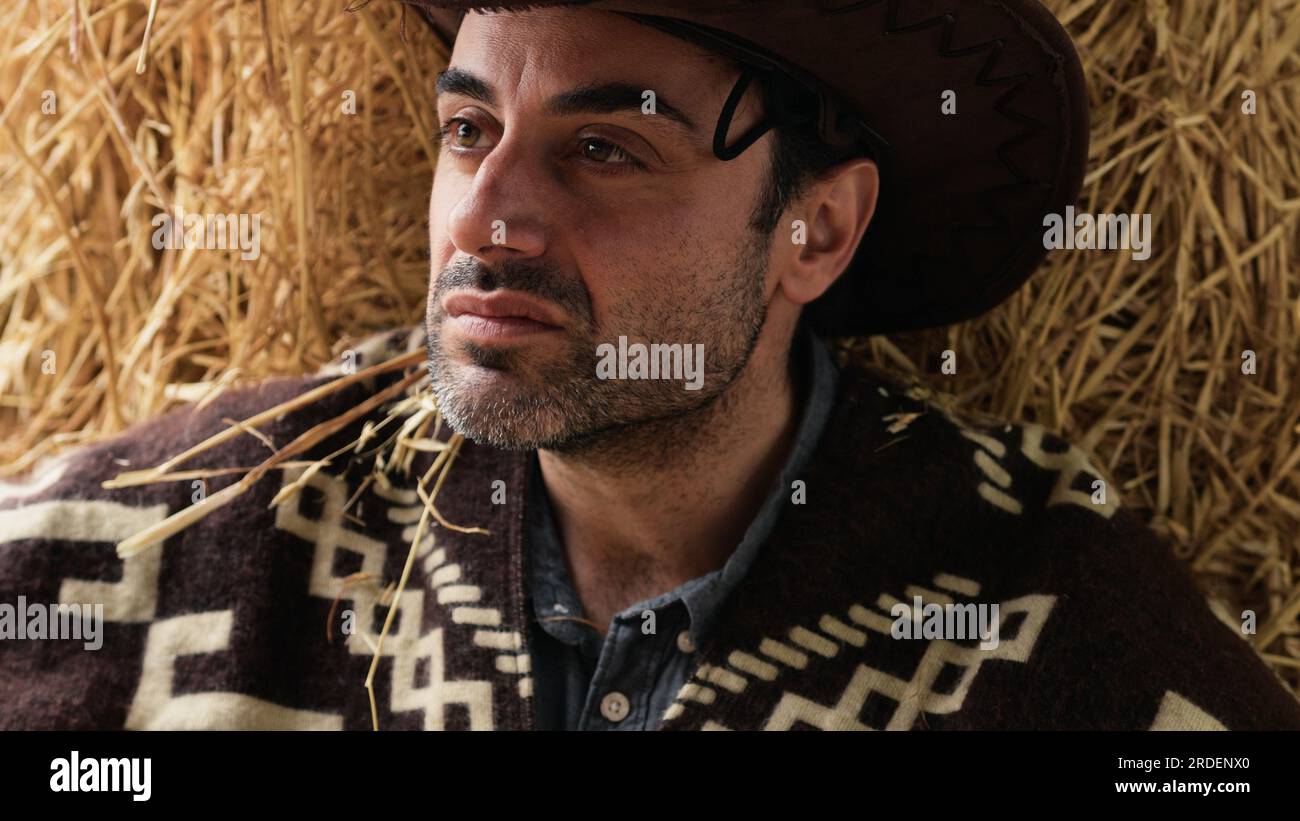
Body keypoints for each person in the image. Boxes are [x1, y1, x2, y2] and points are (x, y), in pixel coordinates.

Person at [1, 0, 1297, 731]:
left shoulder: (1050, 626)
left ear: (817, 229)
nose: (483, 220)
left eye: (604, 150)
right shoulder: (220, 531)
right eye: (469, 130)